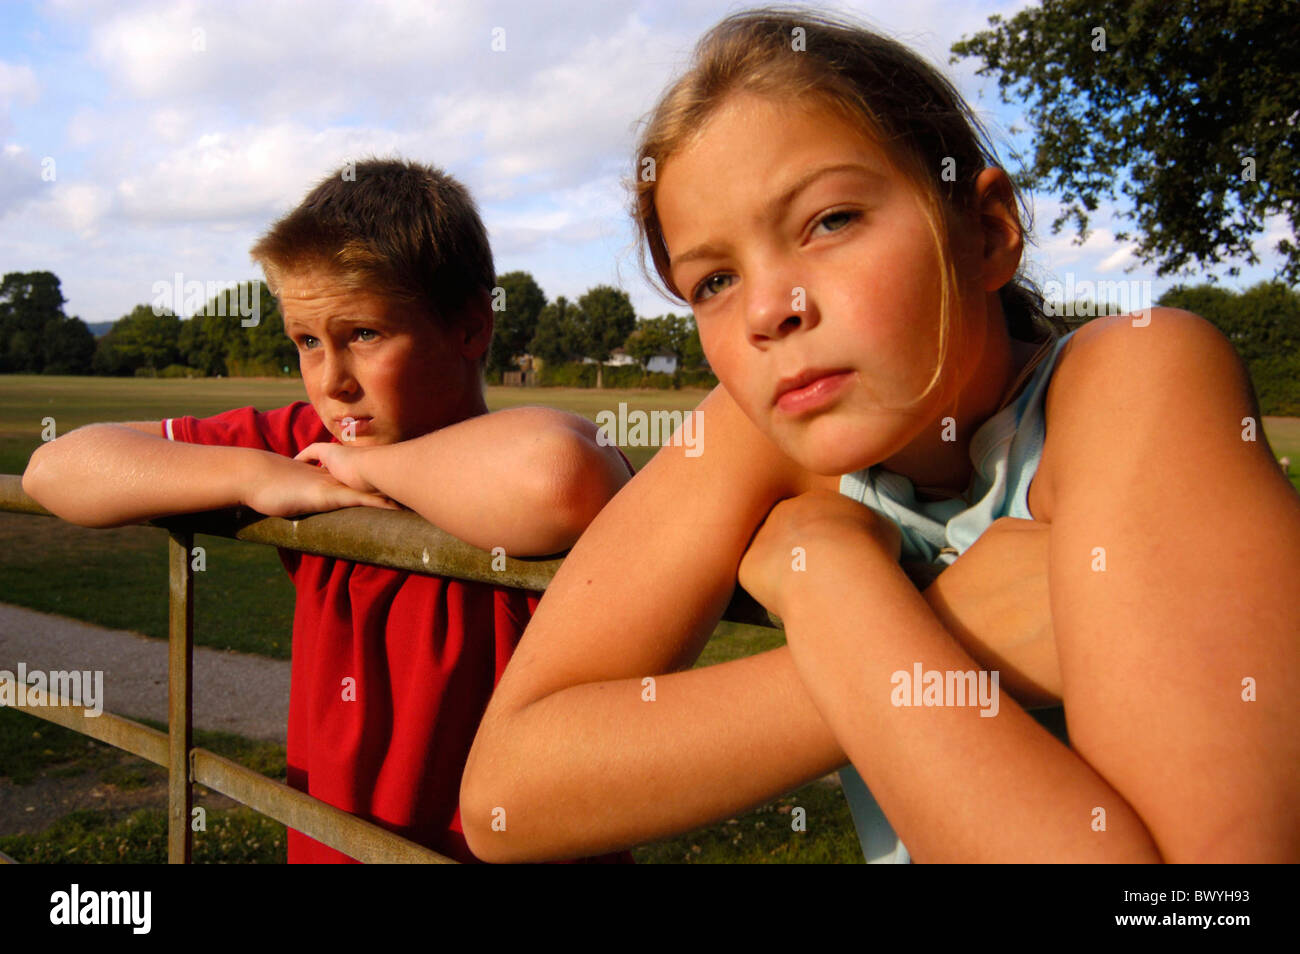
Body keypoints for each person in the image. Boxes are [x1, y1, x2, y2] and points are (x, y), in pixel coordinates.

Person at [460, 9, 1300, 863]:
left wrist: (822, 580)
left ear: (986, 232)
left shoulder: (1137, 379)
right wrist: (921, 621)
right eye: (713, 279)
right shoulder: (764, 431)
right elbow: (503, 797)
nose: (767, 311)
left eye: (830, 222)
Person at [22, 158, 633, 863]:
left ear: (471, 327)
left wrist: (370, 468)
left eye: (364, 336)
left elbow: (558, 479)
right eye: (307, 342)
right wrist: (252, 474)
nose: (331, 381)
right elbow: (57, 469)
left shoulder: (498, 447)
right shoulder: (299, 448)